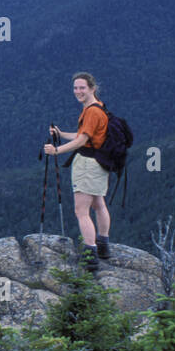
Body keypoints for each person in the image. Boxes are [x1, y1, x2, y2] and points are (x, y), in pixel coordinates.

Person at [43, 72, 111, 270]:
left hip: (88, 164)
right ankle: (103, 244)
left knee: (81, 210)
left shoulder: (91, 112)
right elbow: (84, 134)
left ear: (92, 88)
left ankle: (90, 255)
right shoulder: (98, 107)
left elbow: (82, 140)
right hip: (100, 162)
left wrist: (57, 151)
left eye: (82, 88)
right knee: (98, 204)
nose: (78, 92)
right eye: (75, 88)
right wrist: (62, 134)